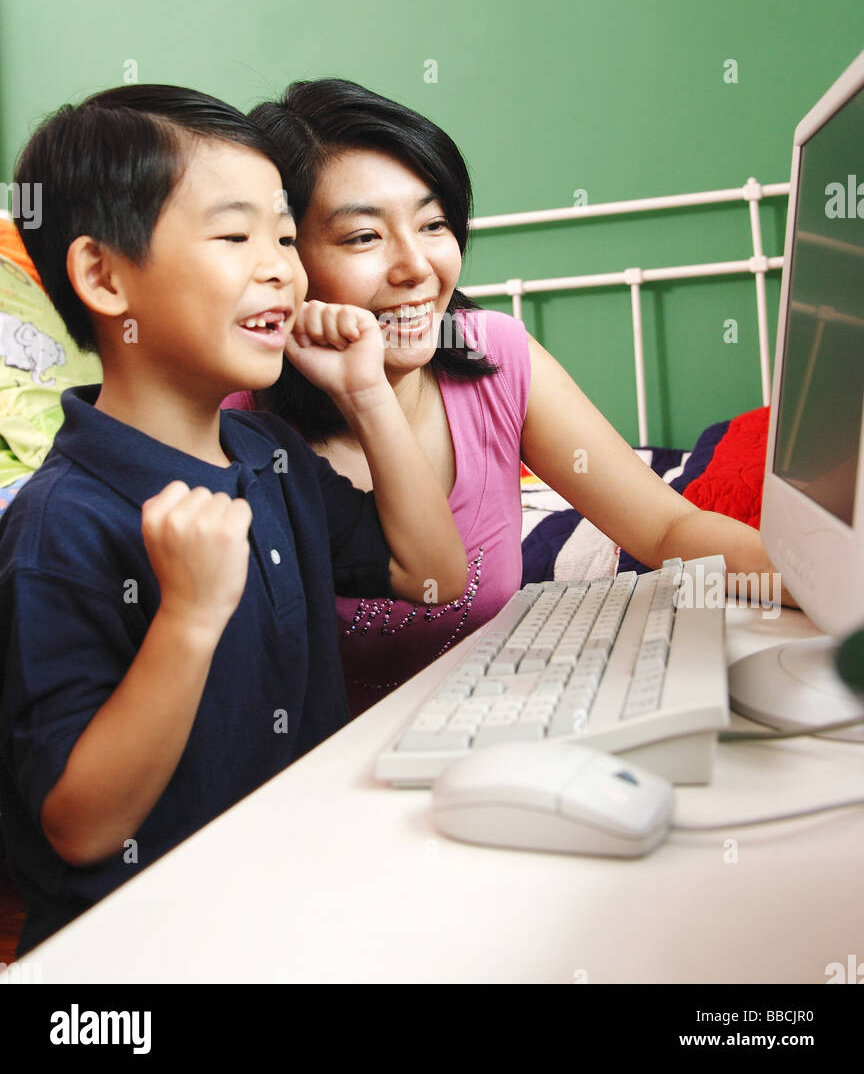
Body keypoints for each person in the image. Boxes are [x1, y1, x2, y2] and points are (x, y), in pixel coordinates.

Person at [0, 85, 466, 954]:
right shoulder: (57, 529)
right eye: (235, 236)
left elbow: (435, 577)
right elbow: (82, 826)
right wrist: (187, 619)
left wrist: (367, 391)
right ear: (104, 277)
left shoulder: (270, 452)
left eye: (286, 237)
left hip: (298, 908)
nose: (282, 269)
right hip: (152, 955)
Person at [222, 79, 794, 718]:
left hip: (494, 724)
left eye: (434, 223)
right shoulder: (230, 430)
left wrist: (819, 584)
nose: (417, 266)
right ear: (284, 256)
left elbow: (665, 526)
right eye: (363, 237)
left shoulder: (493, 357)